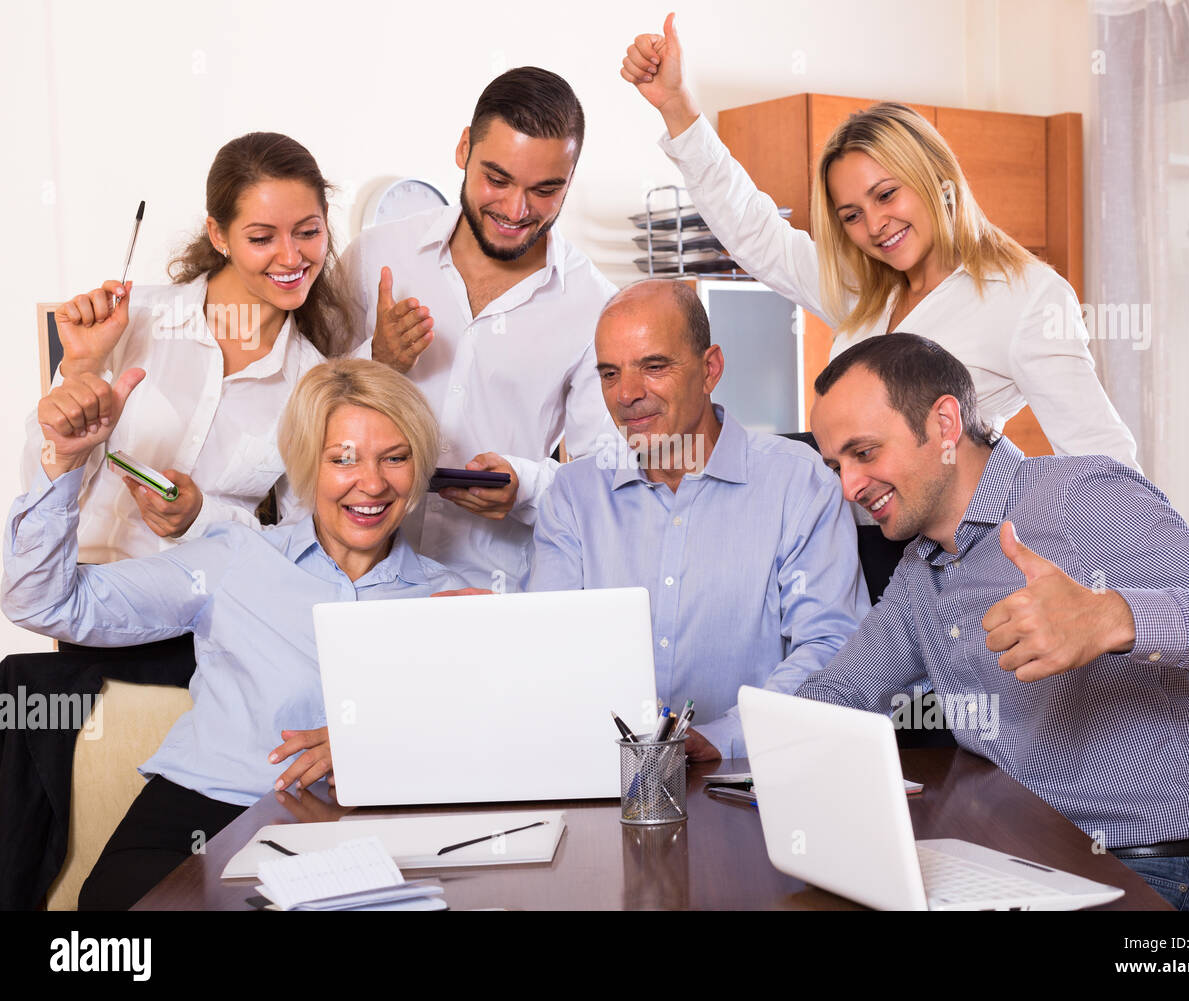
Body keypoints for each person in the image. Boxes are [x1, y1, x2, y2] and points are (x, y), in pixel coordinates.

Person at [793, 332, 1189, 910]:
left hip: (1151, 872)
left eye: (864, 454)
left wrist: (1116, 617)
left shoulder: (1084, 500)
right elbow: (842, 688)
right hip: (1010, 855)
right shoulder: (920, 567)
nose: (849, 487)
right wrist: (777, 745)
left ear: (943, 424)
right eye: (836, 465)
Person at [1, 132, 349, 909]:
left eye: (308, 232)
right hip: (86, 600)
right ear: (218, 234)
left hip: (197, 630)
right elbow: (42, 476)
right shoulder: (133, 319)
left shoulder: (314, 381)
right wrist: (79, 367)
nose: (290, 256)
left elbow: (296, 551)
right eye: (261, 236)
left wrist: (202, 518)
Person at [2, 358, 471, 910]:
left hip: (371, 831)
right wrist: (65, 464)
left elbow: (500, 745)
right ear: (306, 464)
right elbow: (47, 603)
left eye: (395, 458)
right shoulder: (234, 558)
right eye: (342, 458)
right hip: (202, 815)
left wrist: (381, 741)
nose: (371, 483)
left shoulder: (455, 601)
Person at [619, 14, 1138, 469]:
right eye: (851, 215)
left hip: (949, 556)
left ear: (936, 177)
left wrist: (1109, 581)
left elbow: (1103, 458)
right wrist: (679, 110)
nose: (875, 225)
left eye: (887, 194)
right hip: (854, 535)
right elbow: (755, 231)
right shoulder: (862, 290)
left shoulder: (1027, 298)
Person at [526, 280, 868, 761]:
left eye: (654, 366)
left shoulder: (797, 481)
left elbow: (832, 646)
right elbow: (551, 651)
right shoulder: (573, 495)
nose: (627, 394)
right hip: (605, 777)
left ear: (710, 370)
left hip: (748, 777)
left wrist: (726, 736)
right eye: (609, 374)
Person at [341, 67, 616, 591]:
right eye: (498, 178)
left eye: (545, 189)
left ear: (570, 178)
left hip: (488, 596)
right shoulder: (375, 257)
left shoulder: (595, 305)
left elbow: (604, 482)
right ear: (464, 148)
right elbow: (299, 420)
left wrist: (528, 486)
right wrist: (376, 366)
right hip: (352, 582)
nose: (516, 210)